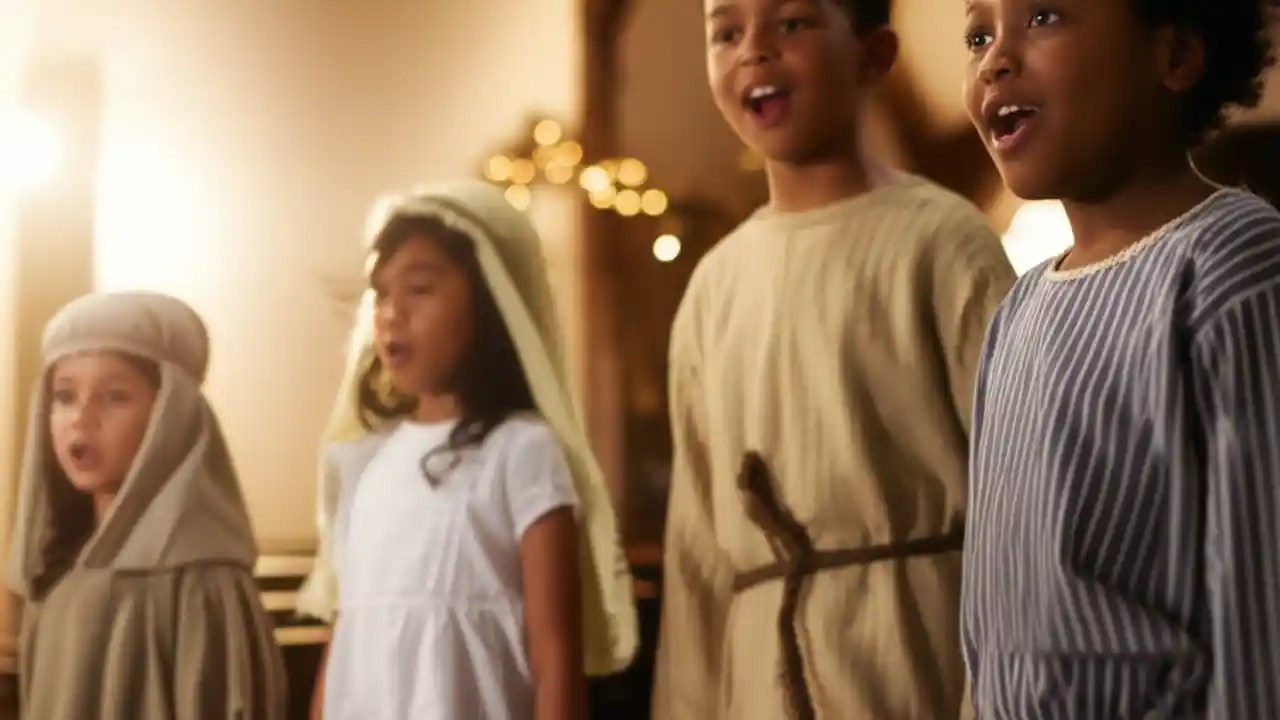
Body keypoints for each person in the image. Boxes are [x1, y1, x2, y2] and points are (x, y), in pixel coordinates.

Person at [653, 0, 1016, 717]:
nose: (754, 52)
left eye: (791, 24)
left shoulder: (942, 243)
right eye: (726, 33)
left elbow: (1020, 512)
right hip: (760, 680)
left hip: (914, 662)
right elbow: (697, 551)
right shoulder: (714, 287)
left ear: (872, 56)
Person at [960, 0, 1280, 716]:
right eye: (979, 34)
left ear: (1174, 57)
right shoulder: (1018, 311)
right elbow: (990, 624)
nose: (995, 59)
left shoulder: (1233, 261)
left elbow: (1261, 603)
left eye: (1043, 17)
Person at [300, 181, 637, 719]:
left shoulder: (521, 452)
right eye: (382, 293)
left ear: (488, 303)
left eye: (420, 288)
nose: (392, 312)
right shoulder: (362, 463)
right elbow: (346, 639)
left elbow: (555, 654)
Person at [7, 291, 287, 719]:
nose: (82, 417)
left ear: (169, 416)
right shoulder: (56, 576)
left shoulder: (203, 582)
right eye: (64, 396)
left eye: (114, 396)